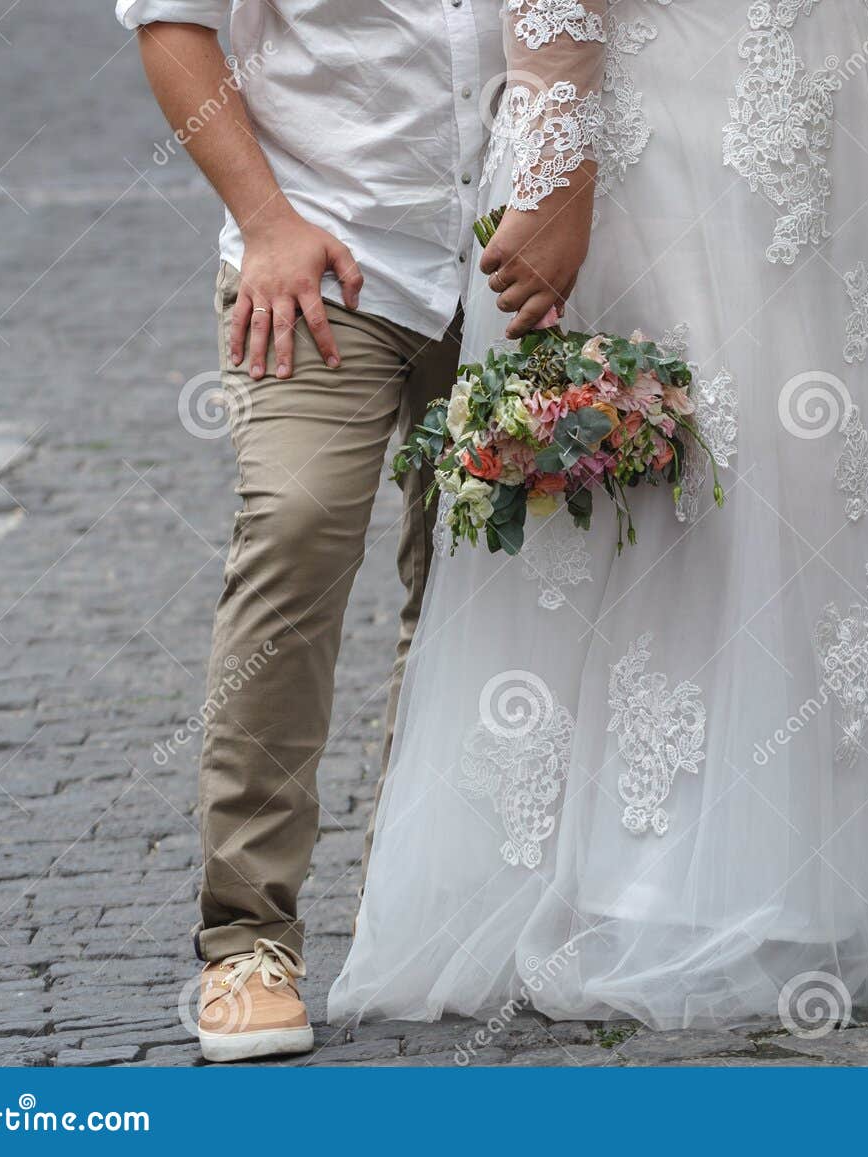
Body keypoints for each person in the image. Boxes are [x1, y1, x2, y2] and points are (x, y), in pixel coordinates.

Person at [331, 0, 868, 1032]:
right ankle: (663, 883)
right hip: (690, 117)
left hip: (858, 98)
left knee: (842, 468)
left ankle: (842, 865)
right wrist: (553, 167)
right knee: (725, 470)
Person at [116, 0, 592, 1062]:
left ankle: (419, 905)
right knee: (294, 526)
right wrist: (269, 223)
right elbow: (171, 25)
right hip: (330, 247)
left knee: (484, 573)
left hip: (512, 254)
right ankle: (246, 940)